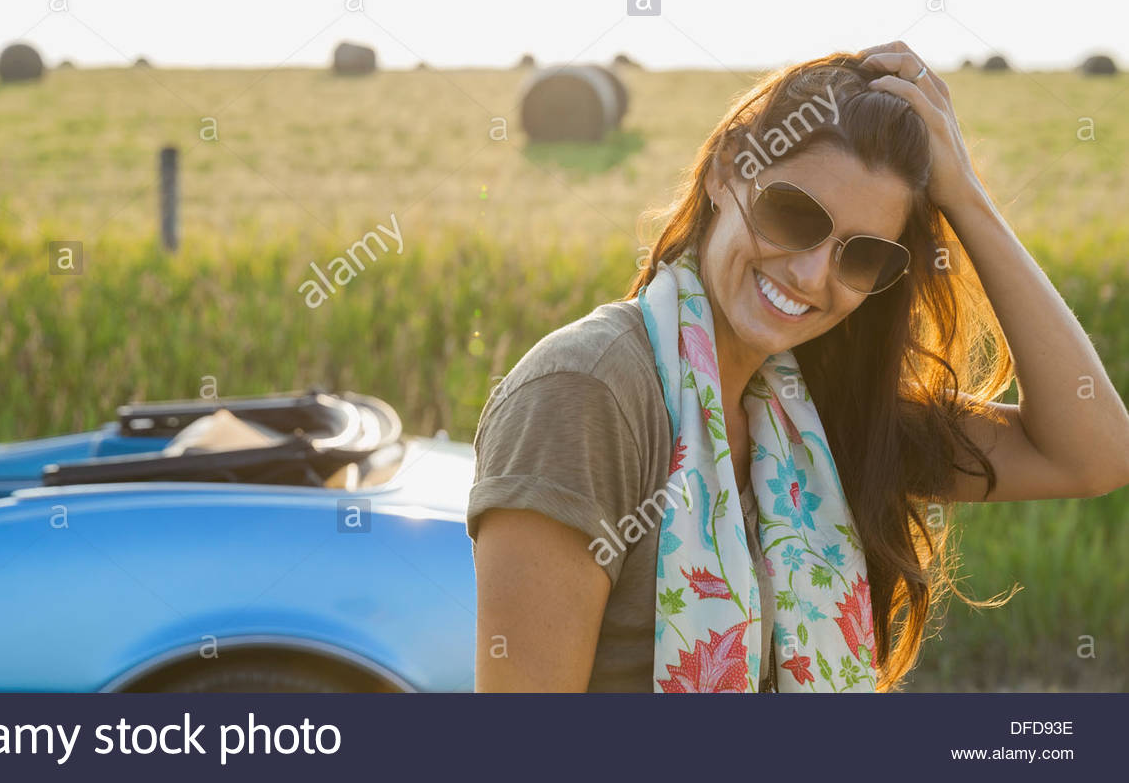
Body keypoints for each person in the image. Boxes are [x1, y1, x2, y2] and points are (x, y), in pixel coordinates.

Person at [466, 41, 1129, 693]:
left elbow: (1095, 454)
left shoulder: (816, 411)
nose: (813, 275)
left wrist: (968, 199)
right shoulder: (587, 395)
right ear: (728, 171)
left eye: (862, 255)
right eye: (793, 214)